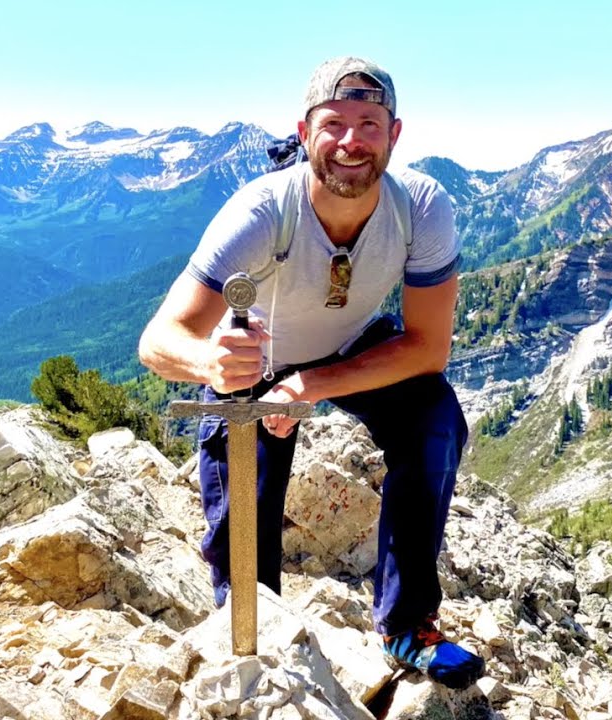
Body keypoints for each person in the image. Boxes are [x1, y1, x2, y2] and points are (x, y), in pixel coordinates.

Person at [138, 56, 484, 690]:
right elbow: (159, 340)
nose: (352, 141)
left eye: (370, 124)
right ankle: (254, 635)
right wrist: (211, 361)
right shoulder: (263, 212)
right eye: (335, 124)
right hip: (253, 360)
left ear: (395, 134)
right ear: (304, 134)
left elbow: (427, 347)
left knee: (433, 421)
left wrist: (315, 386)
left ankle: (409, 626)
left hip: (349, 346)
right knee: (249, 504)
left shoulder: (422, 208)